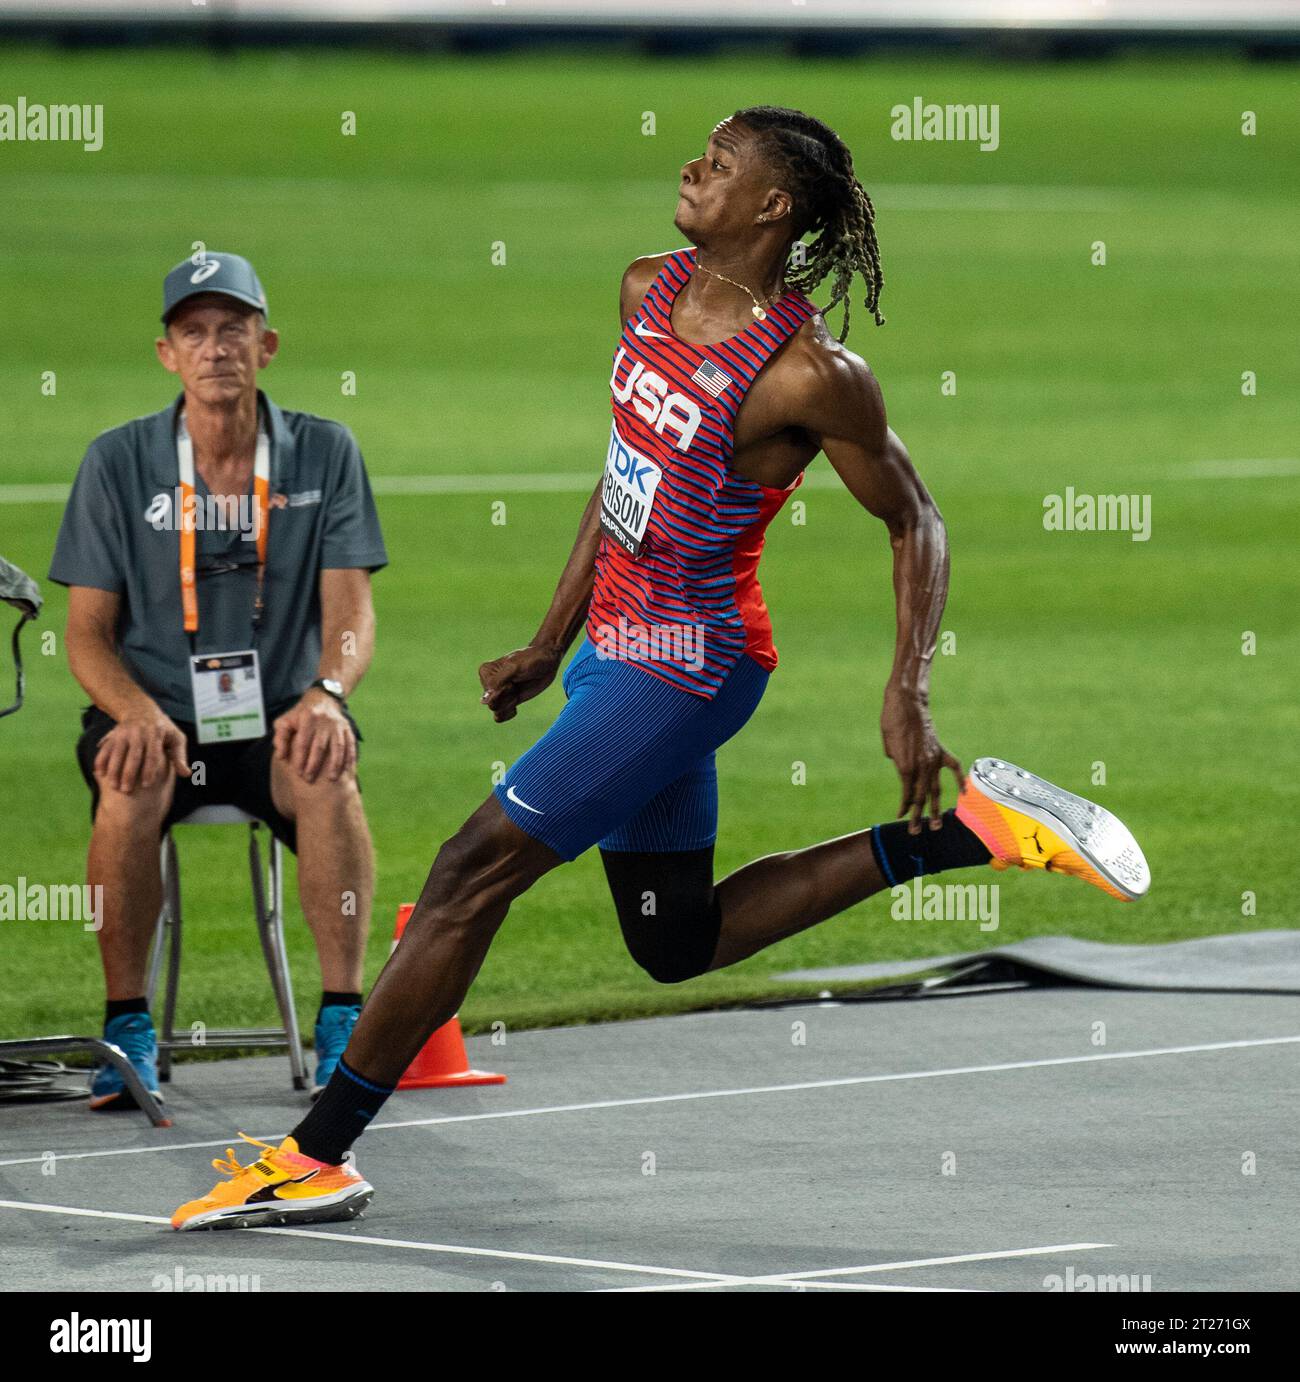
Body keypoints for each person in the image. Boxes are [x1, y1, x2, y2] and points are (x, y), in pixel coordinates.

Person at [169, 109, 1148, 1231]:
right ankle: (960, 833)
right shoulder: (644, 289)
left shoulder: (810, 375)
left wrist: (908, 687)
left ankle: (315, 1153)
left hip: (690, 664)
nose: (693, 168)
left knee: (466, 873)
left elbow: (916, 520)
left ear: (773, 206)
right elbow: (625, 473)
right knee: (673, 940)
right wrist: (549, 641)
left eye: (721, 164)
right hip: (611, 656)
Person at [49, 252, 388, 1113]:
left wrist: (328, 695)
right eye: (193, 332)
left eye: (232, 329)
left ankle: (347, 1017)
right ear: (167, 354)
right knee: (129, 774)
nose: (214, 348)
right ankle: (127, 1026)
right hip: (156, 715)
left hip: (276, 715)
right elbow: (84, 634)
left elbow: (350, 614)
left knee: (327, 765)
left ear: (266, 344)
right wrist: (131, 712)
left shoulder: (323, 451)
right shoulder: (117, 462)